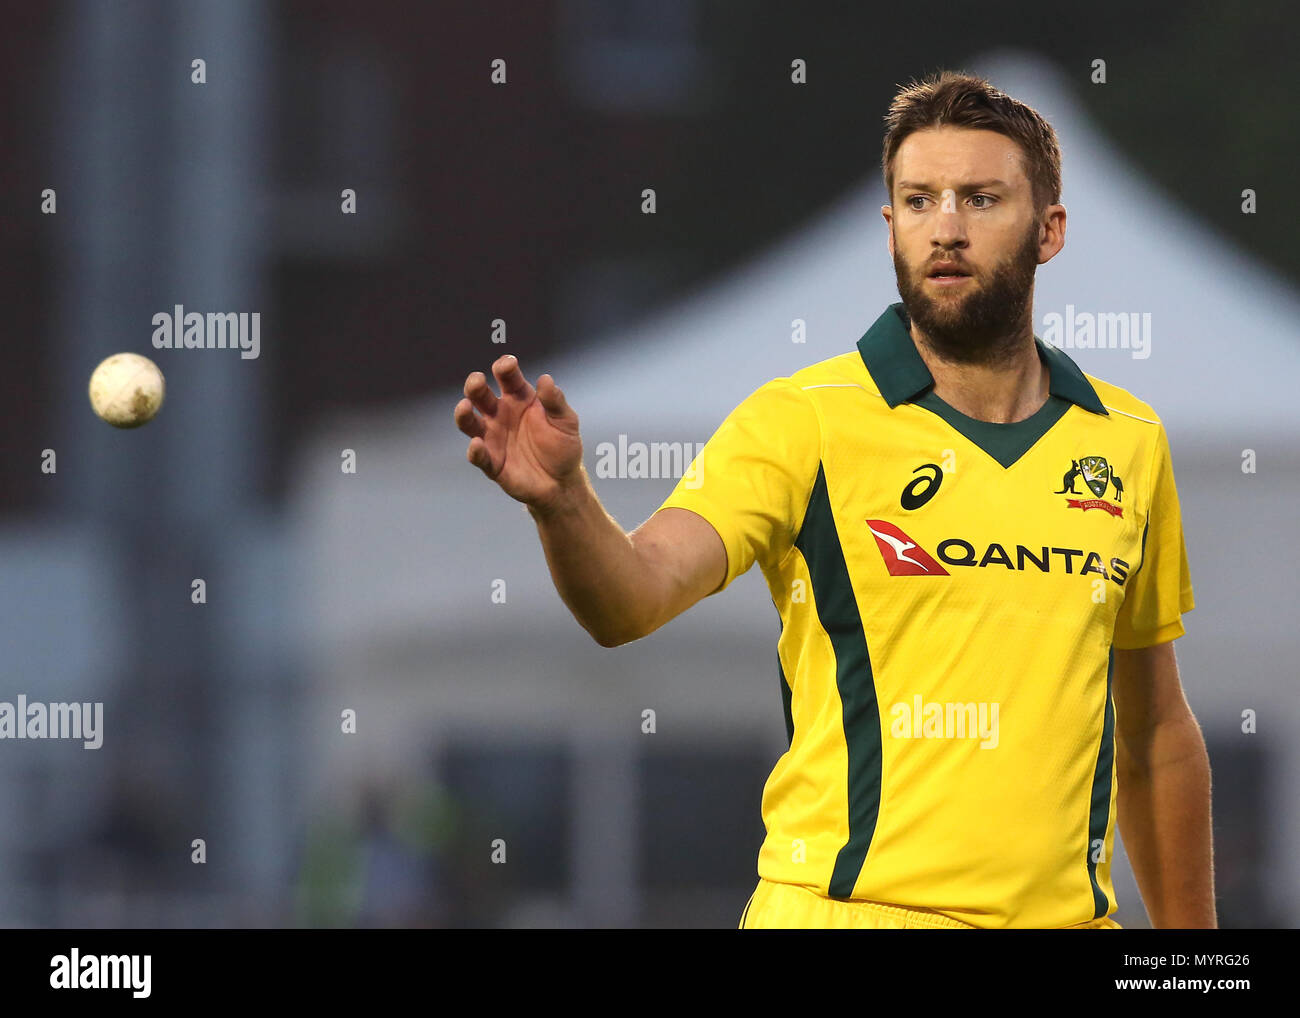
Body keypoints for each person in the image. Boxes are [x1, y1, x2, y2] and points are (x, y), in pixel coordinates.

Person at [453, 70, 1213, 930]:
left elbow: (1155, 736)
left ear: (1050, 230)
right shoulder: (802, 420)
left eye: (982, 198)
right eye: (920, 201)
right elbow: (632, 595)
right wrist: (563, 503)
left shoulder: (1125, 438)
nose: (948, 228)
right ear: (890, 227)